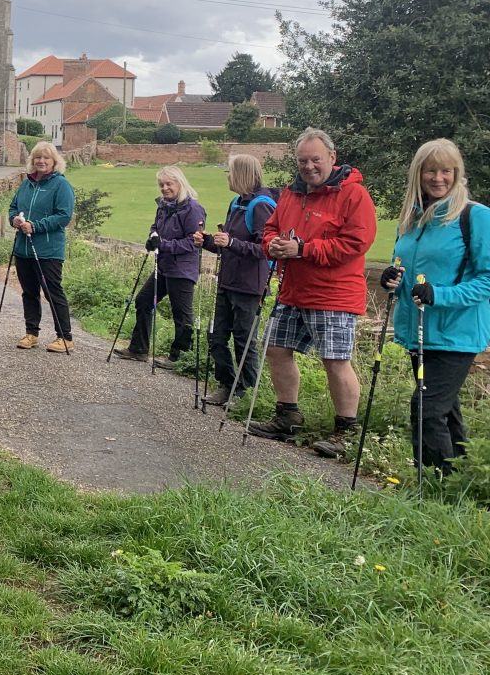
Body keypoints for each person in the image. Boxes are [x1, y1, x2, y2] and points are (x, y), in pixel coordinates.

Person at [250, 128, 377, 457]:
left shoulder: (354, 195)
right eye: (303, 160)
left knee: (335, 360)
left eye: (315, 160)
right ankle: (288, 416)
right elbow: (271, 228)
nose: (309, 166)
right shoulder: (292, 192)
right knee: (275, 349)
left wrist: (303, 249)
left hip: (334, 293)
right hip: (293, 288)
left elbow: (355, 244)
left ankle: (345, 432)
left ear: (332, 158)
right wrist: (273, 245)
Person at [379, 139, 490, 474]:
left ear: (457, 174)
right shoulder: (411, 219)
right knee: (445, 411)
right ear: (419, 173)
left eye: (446, 170)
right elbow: (407, 268)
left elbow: (486, 279)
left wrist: (439, 295)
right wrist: (393, 279)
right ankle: (463, 485)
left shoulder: (476, 216)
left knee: (426, 409)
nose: (438, 177)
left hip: (457, 332)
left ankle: (434, 490)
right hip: (421, 332)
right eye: (431, 170)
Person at [198, 154, 278, 406]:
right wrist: (208, 241)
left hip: (249, 284)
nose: (227, 176)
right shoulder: (236, 203)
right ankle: (227, 384)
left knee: (244, 339)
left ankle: (246, 392)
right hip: (227, 279)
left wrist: (230, 242)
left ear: (241, 174)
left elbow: (264, 249)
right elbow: (228, 244)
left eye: (230, 171)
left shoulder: (262, 205)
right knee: (217, 335)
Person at [116, 166, 206, 367]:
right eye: (161, 184)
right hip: (164, 266)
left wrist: (163, 244)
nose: (165, 188)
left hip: (182, 269)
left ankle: (180, 357)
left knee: (181, 313)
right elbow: (155, 227)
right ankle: (139, 349)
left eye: (169, 184)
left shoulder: (192, 208)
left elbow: (194, 242)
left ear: (179, 183)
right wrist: (152, 238)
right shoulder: (164, 205)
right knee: (143, 301)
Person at [7, 141, 76, 352]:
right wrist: (15, 221)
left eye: (46, 158)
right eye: (38, 157)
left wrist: (35, 226)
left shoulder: (61, 185)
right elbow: (13, 208)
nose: (41, 161)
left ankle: (65, 338)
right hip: (23, 248)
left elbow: (64, 216)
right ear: (32, 160)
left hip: (48, 250)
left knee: (52, 291)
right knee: (29, 292)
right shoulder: (26, 184)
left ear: (55, 161)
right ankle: (31, 333)